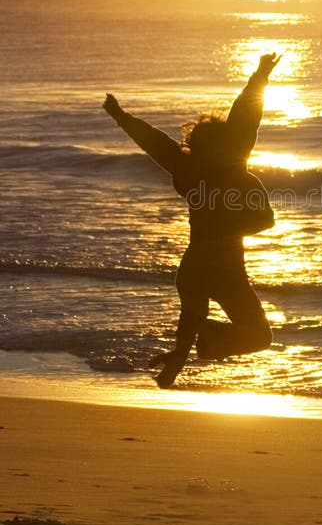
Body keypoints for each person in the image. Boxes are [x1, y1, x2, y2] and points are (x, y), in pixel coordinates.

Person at [103, 53, 281, 388]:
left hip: (206, 267)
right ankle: (189, 347)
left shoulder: (201, 168)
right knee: (251, 333)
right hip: (214, 267)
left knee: (254, 335)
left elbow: (241, 119)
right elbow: (243, 117)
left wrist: (121, 117)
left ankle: (187, 350)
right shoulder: (227, 167)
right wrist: (259, 76)